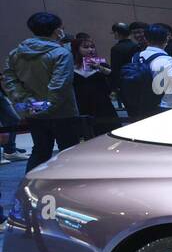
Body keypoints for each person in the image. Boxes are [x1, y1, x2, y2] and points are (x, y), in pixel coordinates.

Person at [0, 12, 81, 172]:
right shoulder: (61, 53)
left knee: (40, 151)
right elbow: (59, 86)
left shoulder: (15, 53)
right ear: (57, 30)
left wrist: (30, 104)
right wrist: (46, 107)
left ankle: (30, 188)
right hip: (62, 113)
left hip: (32, 111)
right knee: (69, 153)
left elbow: (10, 81)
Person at [71, 34, 122, 137]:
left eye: (92, 47)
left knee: (109, 132)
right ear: (77, 49)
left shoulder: (101, 63)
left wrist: (99, 68)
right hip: (81, 104)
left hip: (102, 104)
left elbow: (114, 77)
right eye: (85, 47)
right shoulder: (70, 66)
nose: (90, 50)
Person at [141, 23, 172, 110]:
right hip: (165, 104)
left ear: (145, 38)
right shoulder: (168, 60)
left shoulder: (137, 56)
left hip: (142, 104)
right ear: (167, 38)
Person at [108, 21, 138, 91]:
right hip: (138, 79)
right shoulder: (136, 45)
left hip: (124, 82)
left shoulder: (116, 48)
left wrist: (114, 86)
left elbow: (116, 69)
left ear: (116, 33)